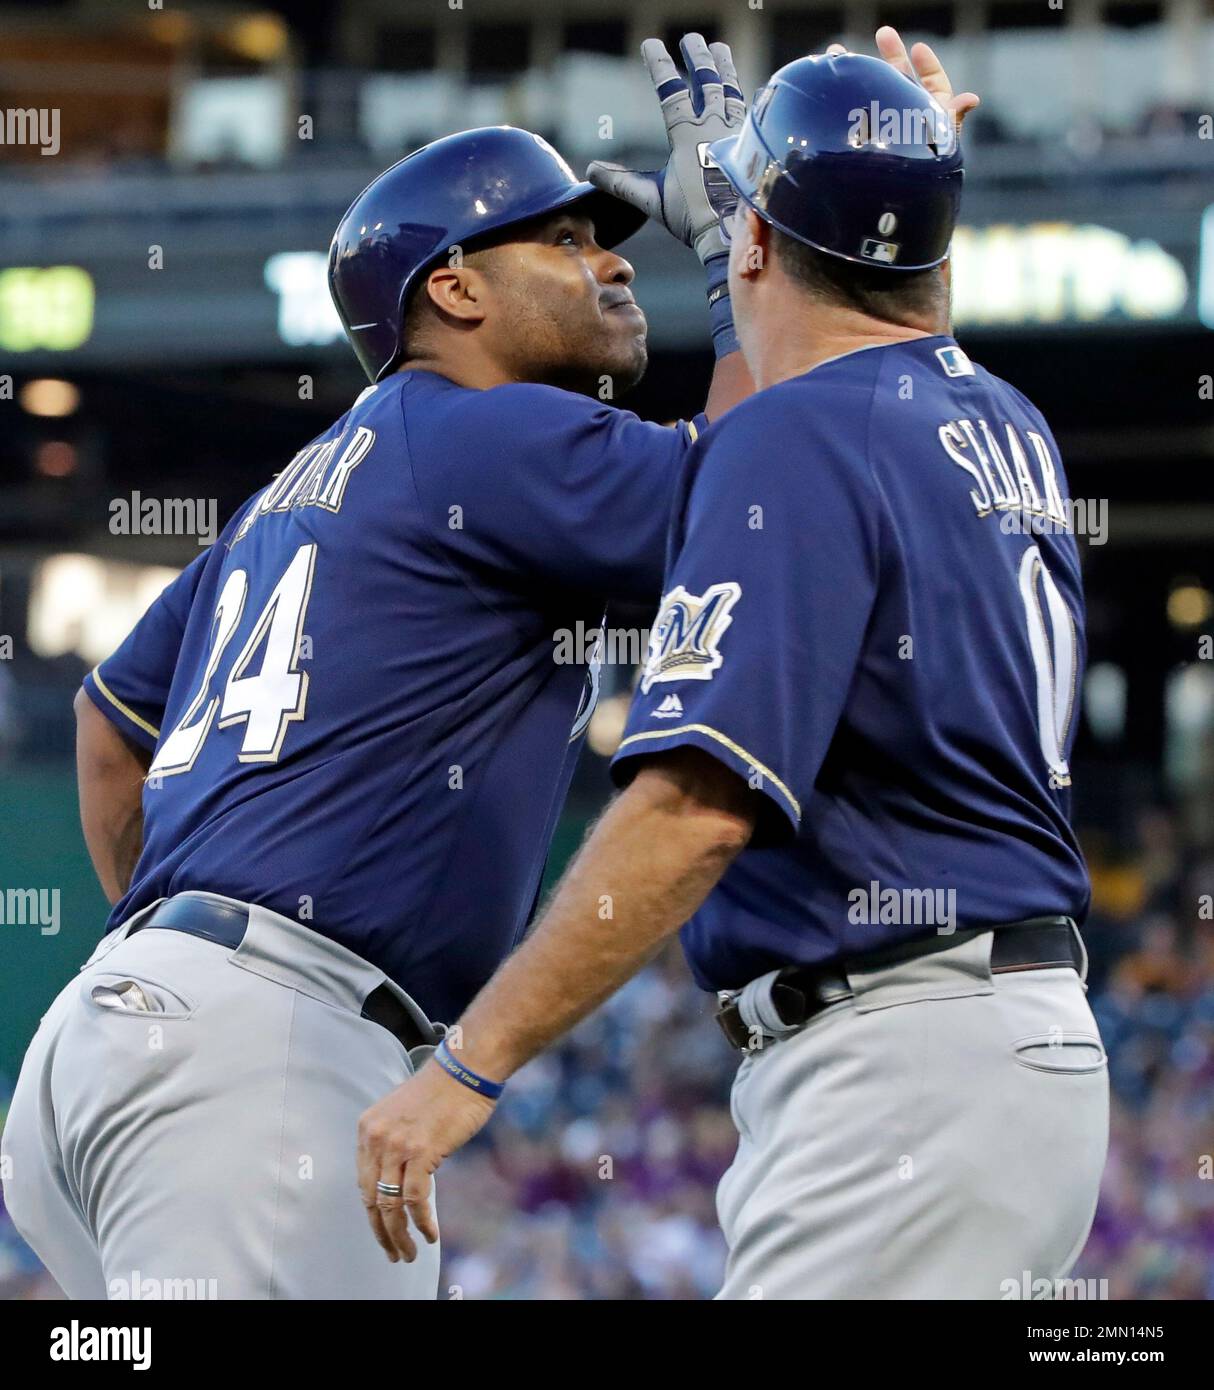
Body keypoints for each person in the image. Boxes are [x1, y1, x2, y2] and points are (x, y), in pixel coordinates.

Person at [0, 32, 753, 1301]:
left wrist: (172, 952)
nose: (613, 258)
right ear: (453, 290)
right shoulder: (482, 434)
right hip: (267, 1056)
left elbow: (107, 726)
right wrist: (749, 268)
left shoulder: (299, 490)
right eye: (564, 240)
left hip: (110, 1052)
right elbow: (762, 501)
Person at [354, 48, 1107, 1302]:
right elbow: (880, 335)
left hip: (901, 1064)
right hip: (1005, 1044)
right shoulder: (1003, 417)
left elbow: (694, 809)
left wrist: (465, 1066)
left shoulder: (800, 436)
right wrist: (896, 179)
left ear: (751, 242)